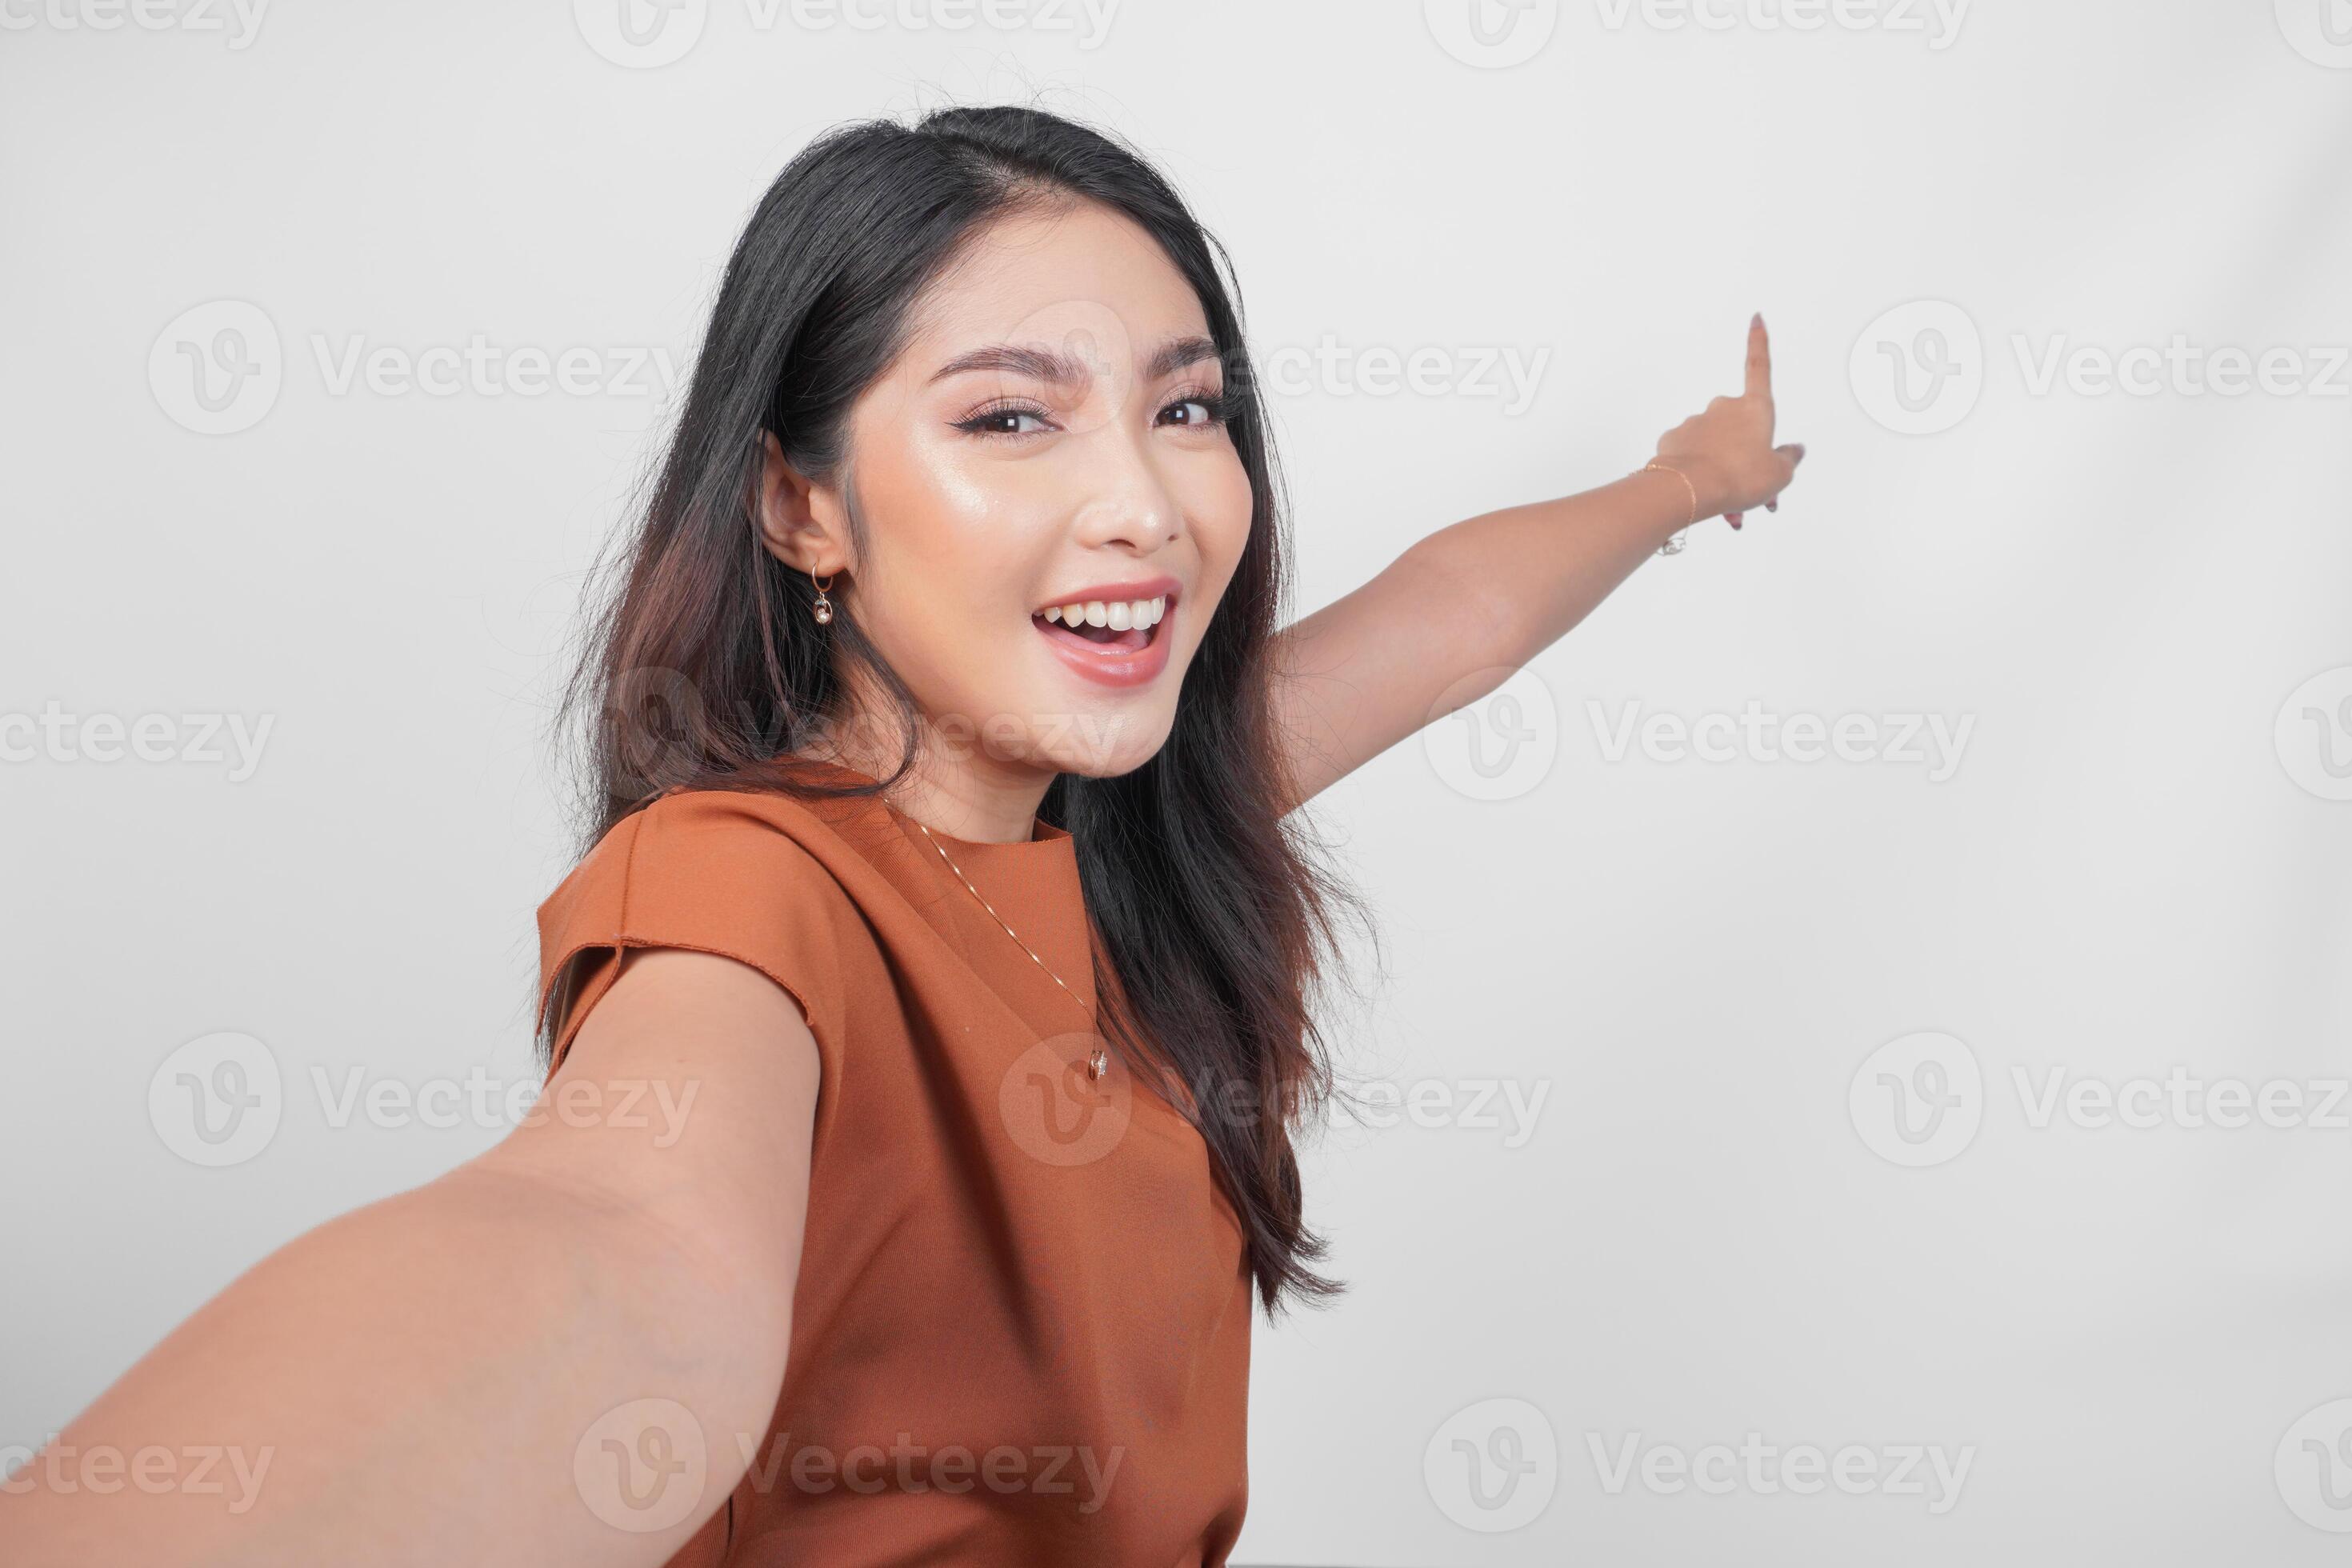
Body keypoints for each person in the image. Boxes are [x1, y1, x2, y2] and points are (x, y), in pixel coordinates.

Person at [2, 103, 1802, 1566]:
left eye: (1188, 408)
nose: (1146, 500)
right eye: (1012, 416)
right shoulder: (738, 883)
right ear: (802, 505)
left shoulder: (1131, 828)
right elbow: (615, 1253)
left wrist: (1693, 476)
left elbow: (1455, 620)